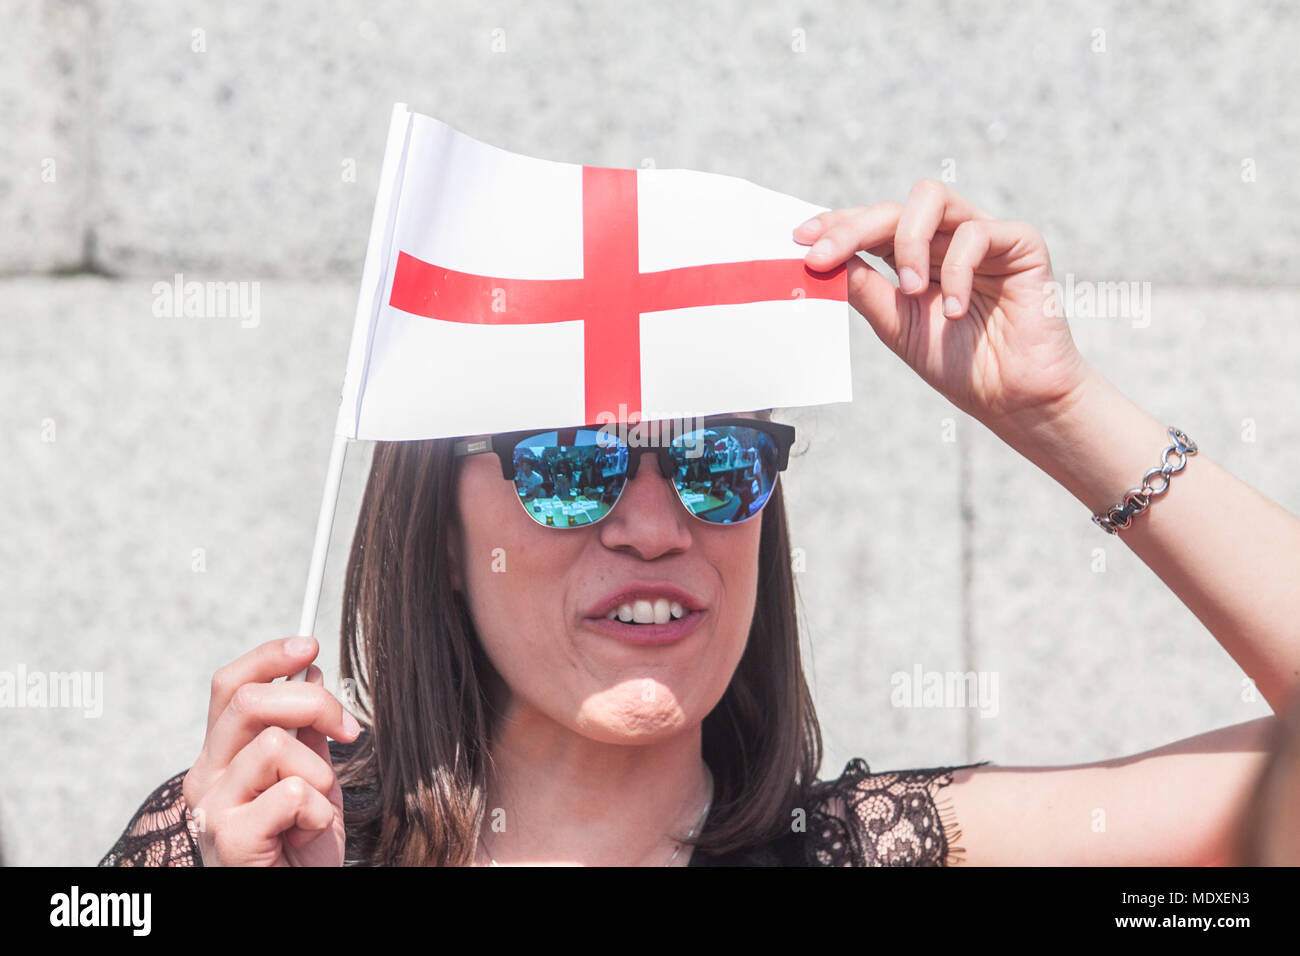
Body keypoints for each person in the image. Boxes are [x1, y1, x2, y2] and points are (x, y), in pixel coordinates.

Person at [100, 180, 1296, 867]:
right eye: (570, 464)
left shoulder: (883, 851)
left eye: (720, 464)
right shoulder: (249, 839)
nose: (656, 524)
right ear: (439, 532)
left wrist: (1060, 412)